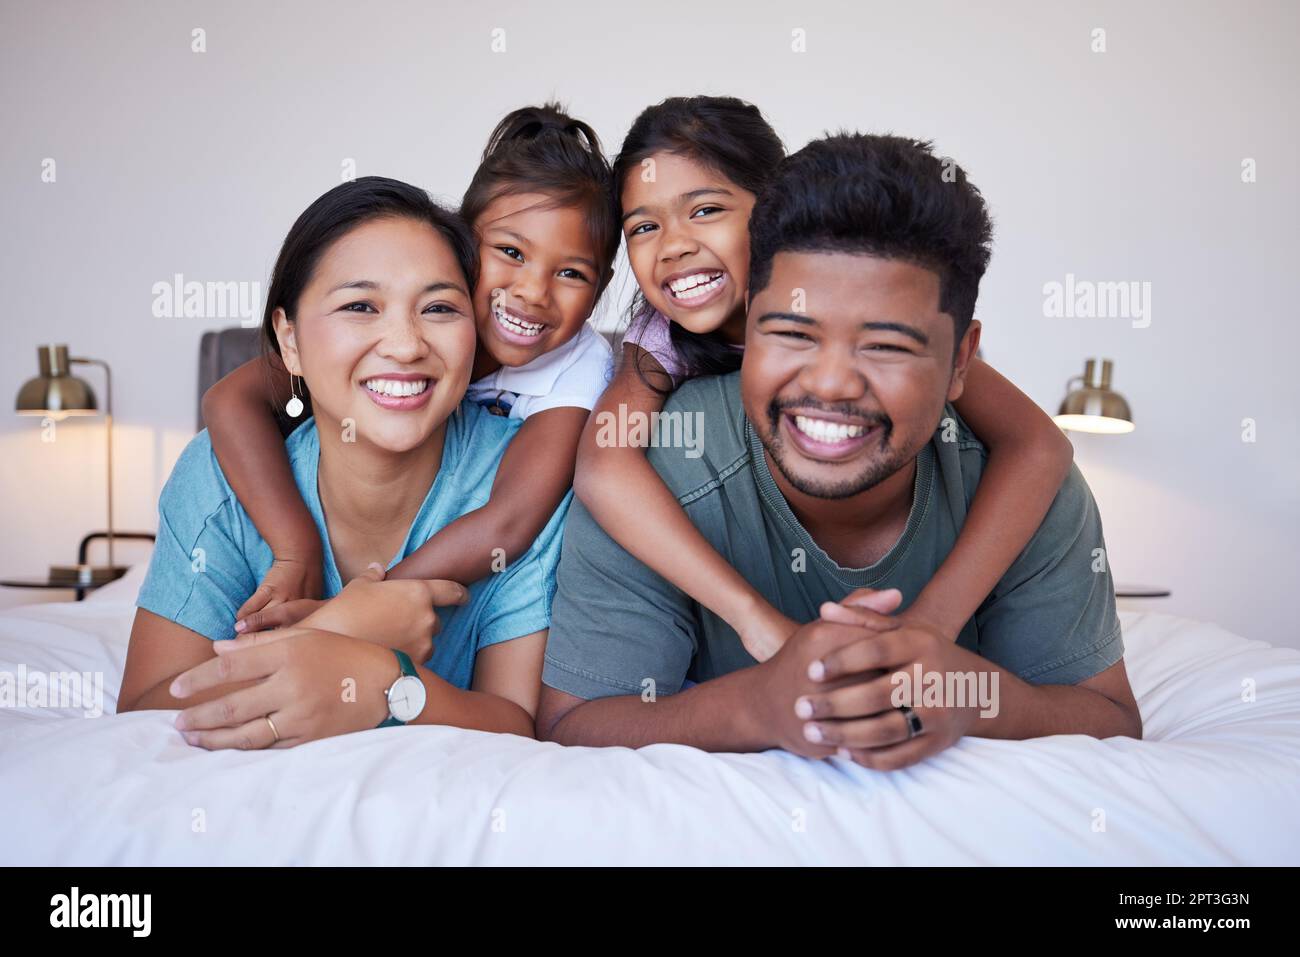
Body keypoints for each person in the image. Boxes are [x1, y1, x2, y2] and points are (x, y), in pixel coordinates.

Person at [539, 133, 1142, 769]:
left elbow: (1108, 717)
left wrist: (973, 695)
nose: (830, 384)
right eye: (792, 334)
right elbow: (574, 724)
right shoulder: (657, 466)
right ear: (752, 314)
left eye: (886, 346)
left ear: (961, 359)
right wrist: (761, 705)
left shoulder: (1018, 482)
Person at [575, 96, 1074, 662]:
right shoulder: (658, 340)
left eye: (706, 210)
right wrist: (752, 618)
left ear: (771, 213)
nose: (673, 245)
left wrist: (935, 621)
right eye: (643, 226)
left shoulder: (890, 319)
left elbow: (1039, 445)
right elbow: (603, 465)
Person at [118, 177, 568, 749]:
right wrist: (339, 630)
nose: (405, 345)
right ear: (290, 341)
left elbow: (516, 726)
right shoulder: (217, 478)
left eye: (439, 308)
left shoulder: (520, 480)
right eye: (360, 306)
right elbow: (144, 713)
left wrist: (383, 681)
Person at [199, 104, 617, 634]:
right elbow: (228, 400)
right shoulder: (380, 341)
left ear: (600, 289)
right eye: (511, 251)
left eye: (572, 273)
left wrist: (361, 609)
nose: (534, 292)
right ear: (461, 246)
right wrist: (295, 549)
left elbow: (508, 522)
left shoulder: (578, 367)